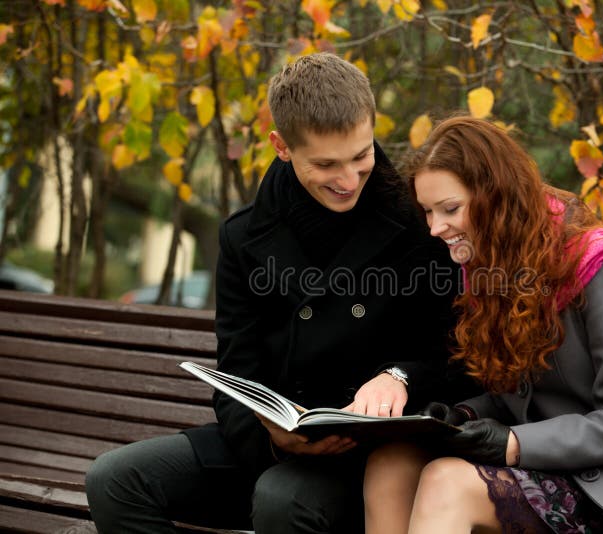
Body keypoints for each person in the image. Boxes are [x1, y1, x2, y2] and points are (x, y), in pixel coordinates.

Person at [85, 53, 468, 534]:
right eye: (326, 164)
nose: (348, 180)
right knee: (115, 479)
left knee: (282, 498)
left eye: (360, 156)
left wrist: (398, 376)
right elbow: (236, 368)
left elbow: (454, 353)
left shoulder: (419, 221)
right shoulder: (244, 237)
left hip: (377, 459)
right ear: (281, 147)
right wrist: (272, 438)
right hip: (272, 445)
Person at [363, 116, 603, 533]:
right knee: (391, 461)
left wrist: (513, 444)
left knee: (447, 482)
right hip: (534, 474)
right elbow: (516, 397)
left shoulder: (601, 264)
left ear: (496, 195)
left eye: (450, 209)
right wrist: (460, 416)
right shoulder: (490, 269)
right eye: (427, 212)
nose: (434, 227)